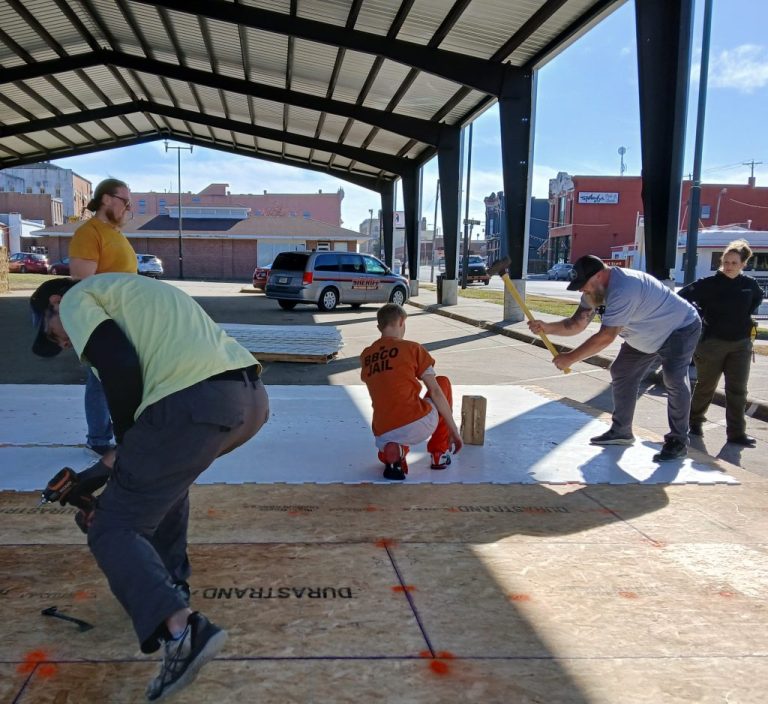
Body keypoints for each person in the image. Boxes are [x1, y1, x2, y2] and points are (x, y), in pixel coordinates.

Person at [30, 273, 269, 701]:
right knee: (164, 487)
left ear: (53, 303)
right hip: (244, 400)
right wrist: (93, 478)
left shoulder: (76, 299)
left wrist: (126, 446)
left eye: (54, 335)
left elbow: (120, 365)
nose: (64, 344)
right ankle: (170, 583)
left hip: (189, 403)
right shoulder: (132, 295)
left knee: (110, 528)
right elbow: (153, 445)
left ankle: (182, 630)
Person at [528, 255, 701, 462]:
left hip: (679, 328)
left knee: (673, 377)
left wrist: (570, 358)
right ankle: (621, 432)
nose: (583, 290)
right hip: (644, 333)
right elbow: (576, 324)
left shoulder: (624, 288)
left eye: (585, 286)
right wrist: (547, 327)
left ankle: (678, 441)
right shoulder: (594, 292)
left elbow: (606, 337)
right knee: (622, 371)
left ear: (600, 275)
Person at [69, 178, 139, 456]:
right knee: (100, 379)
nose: (127, 207)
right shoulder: (90, 232)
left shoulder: (114, 232)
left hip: (123, 317)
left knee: (111, 377)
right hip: (103, 320)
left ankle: (111, 434)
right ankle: (98, 438)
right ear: (107, 199)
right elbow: (82, 282)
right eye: (125, 201)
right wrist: (98, 322)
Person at [360, 303, 462, 480]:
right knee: (441, 382)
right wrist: (454, 430)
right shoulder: (412, 348)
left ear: (379, 327)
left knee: (388, 441)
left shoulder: (366, 355)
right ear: (401, 321)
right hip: (417, 422)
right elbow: (436, 392)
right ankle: (439, 453)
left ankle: (394, 452)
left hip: (383, 431)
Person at [677, 239, 763, 446]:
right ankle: (695, 422)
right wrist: (696, 319)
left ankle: (736, 433)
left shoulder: (750, 286)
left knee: (738, 390)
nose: (728, 266)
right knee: (706, 386)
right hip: (711, 344)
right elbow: (681, 297)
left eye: (734, 263)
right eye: (726, 262)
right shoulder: (709, 283)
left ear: (743, 264)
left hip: (741, 344)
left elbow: (755, 302)